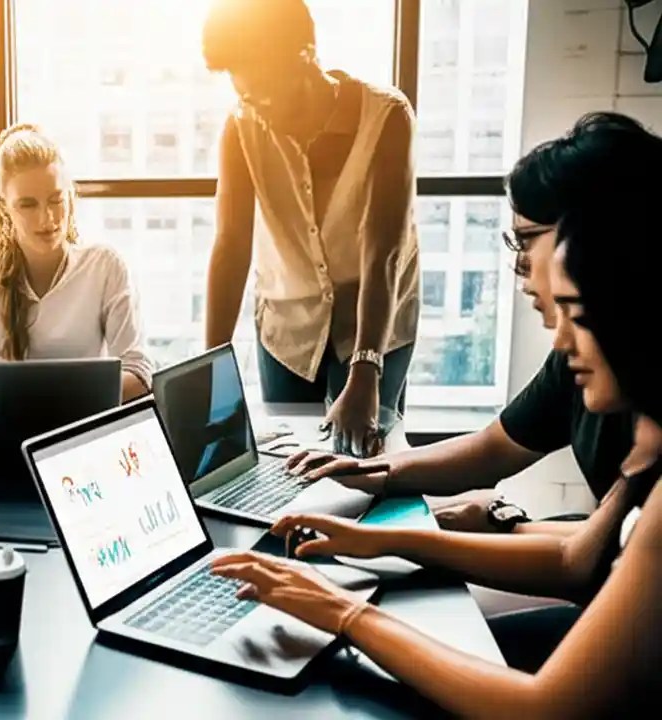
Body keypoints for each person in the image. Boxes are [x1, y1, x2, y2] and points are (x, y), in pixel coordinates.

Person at [209, 172, 662, 715]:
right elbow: (576, 553)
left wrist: (344, 613)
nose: (562, 340)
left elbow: (543, 709)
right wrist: (381, 538)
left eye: (579, 315)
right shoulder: (648, 445)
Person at [284, 112, 657, 535]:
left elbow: (598, 556)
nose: (519, 266)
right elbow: (495, 449)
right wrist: (373, 470)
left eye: (528, 239)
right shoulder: (581, 357)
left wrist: (495, 524)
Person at [202, 0, 421, 457]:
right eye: (247, 97)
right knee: (286, 459)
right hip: (288, 321)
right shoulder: (241, 127)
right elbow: (231, 246)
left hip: (374, 319)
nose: (258, 110)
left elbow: (383, 253)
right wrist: (211, 368)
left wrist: (366, 370)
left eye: (266, 93)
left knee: (361, 457)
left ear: (306, 53)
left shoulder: (388, 117)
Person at [0, 123, 153, 410]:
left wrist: (50, 405)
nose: (46, 218)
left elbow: (138, 370)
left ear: (70, 197)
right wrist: (28, 407)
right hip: (7, 436)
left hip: (82, 435)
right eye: (27, 205)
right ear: (4, 207)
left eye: (55, 200)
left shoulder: (104, 267)